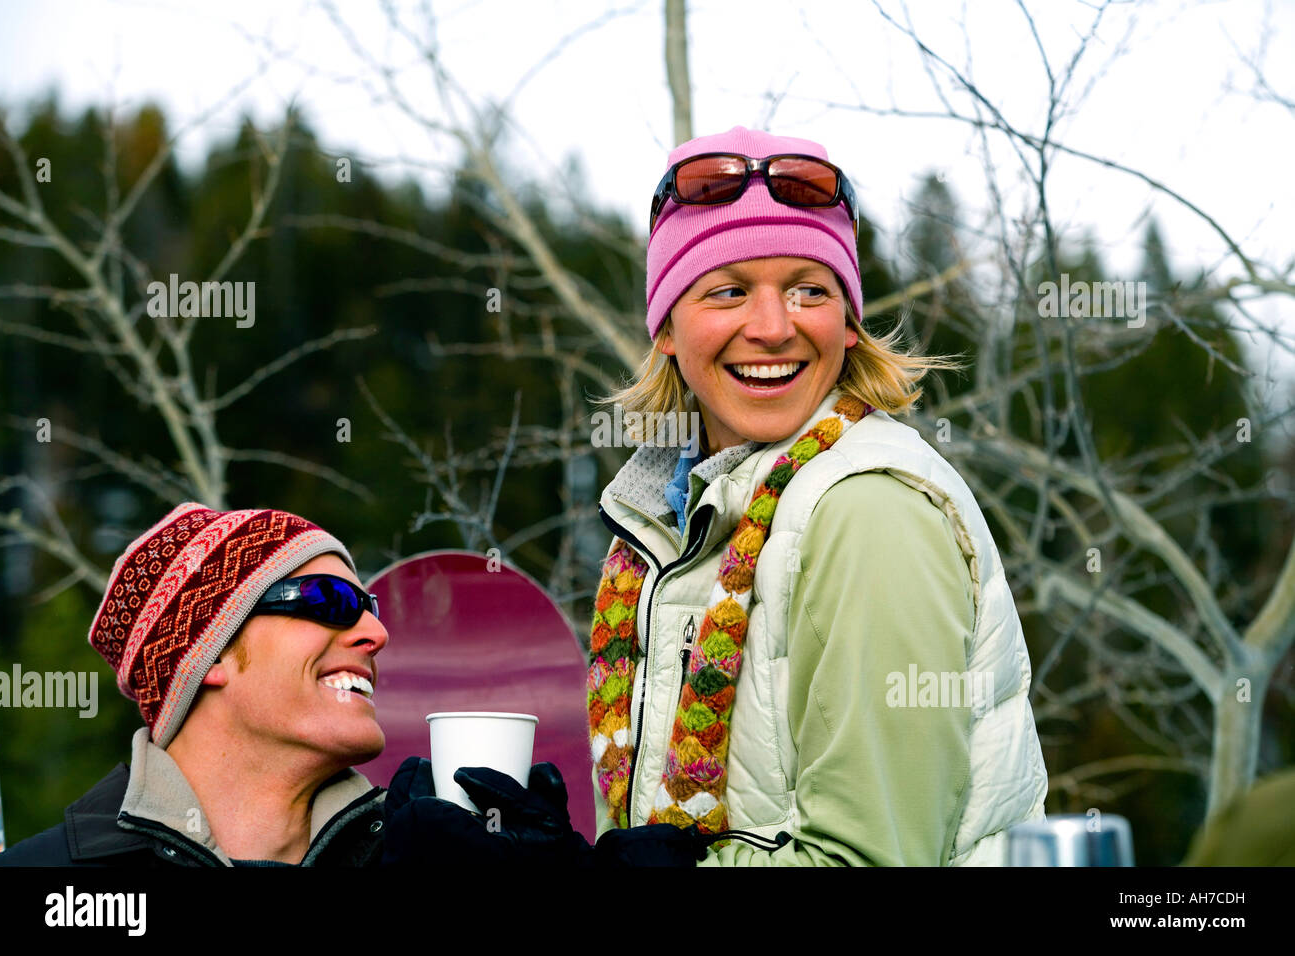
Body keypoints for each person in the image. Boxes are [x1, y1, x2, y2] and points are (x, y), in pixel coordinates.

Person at [392, 125, 1049, 867]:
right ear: (668, 327)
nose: (773, 329)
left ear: (850, 324)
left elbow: (873, 860)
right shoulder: (666, 526)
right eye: (729, 291)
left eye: (810, 290)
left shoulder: (866, 510)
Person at [0, 502, 390, 867]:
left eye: (369, 606)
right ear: (207, 653)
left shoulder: (421, 851)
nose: (377, 632)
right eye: (328, 598)